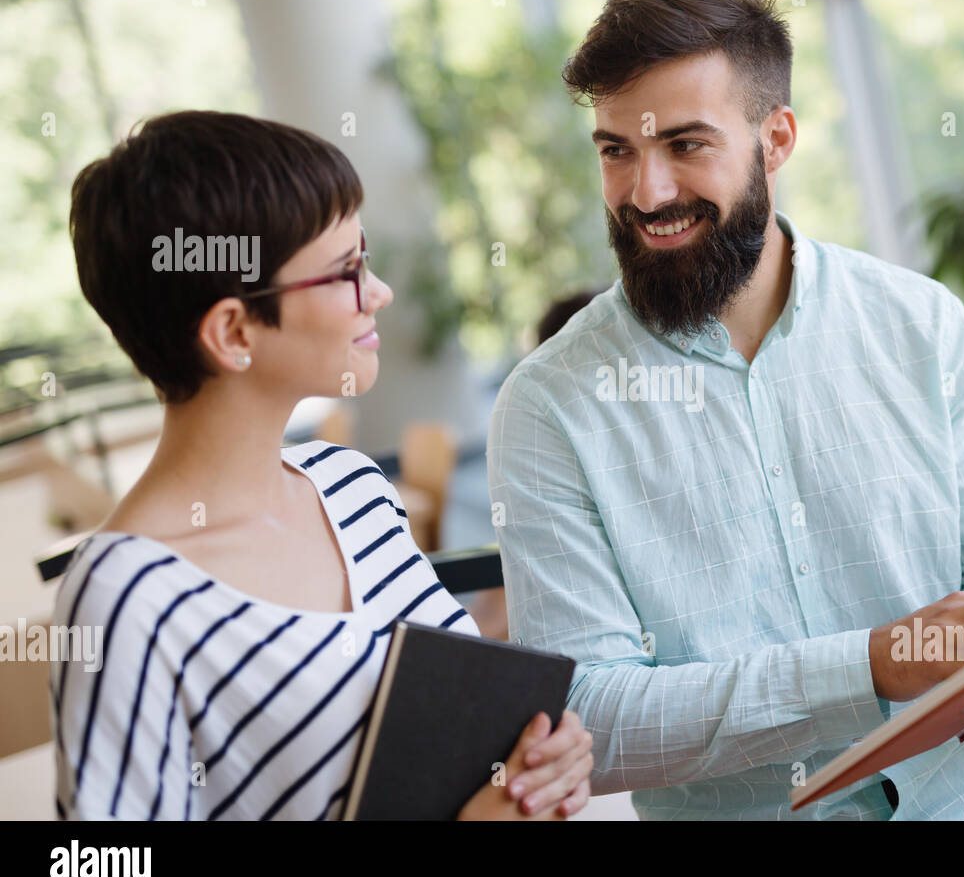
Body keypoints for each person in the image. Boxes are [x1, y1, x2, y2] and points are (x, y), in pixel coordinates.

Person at [487, 0, 964, 821]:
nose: (645, 194)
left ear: (777, 140)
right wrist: (870, 667)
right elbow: (596, 725)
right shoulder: (547, 408)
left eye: (685, 145)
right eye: (618, 150)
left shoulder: (921, 324)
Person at [53, 110, 593, 820]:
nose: (378, 293)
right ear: (234, 331)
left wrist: (543, 763)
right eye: (345, 272)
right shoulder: (125, 599)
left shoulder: (354, 487)